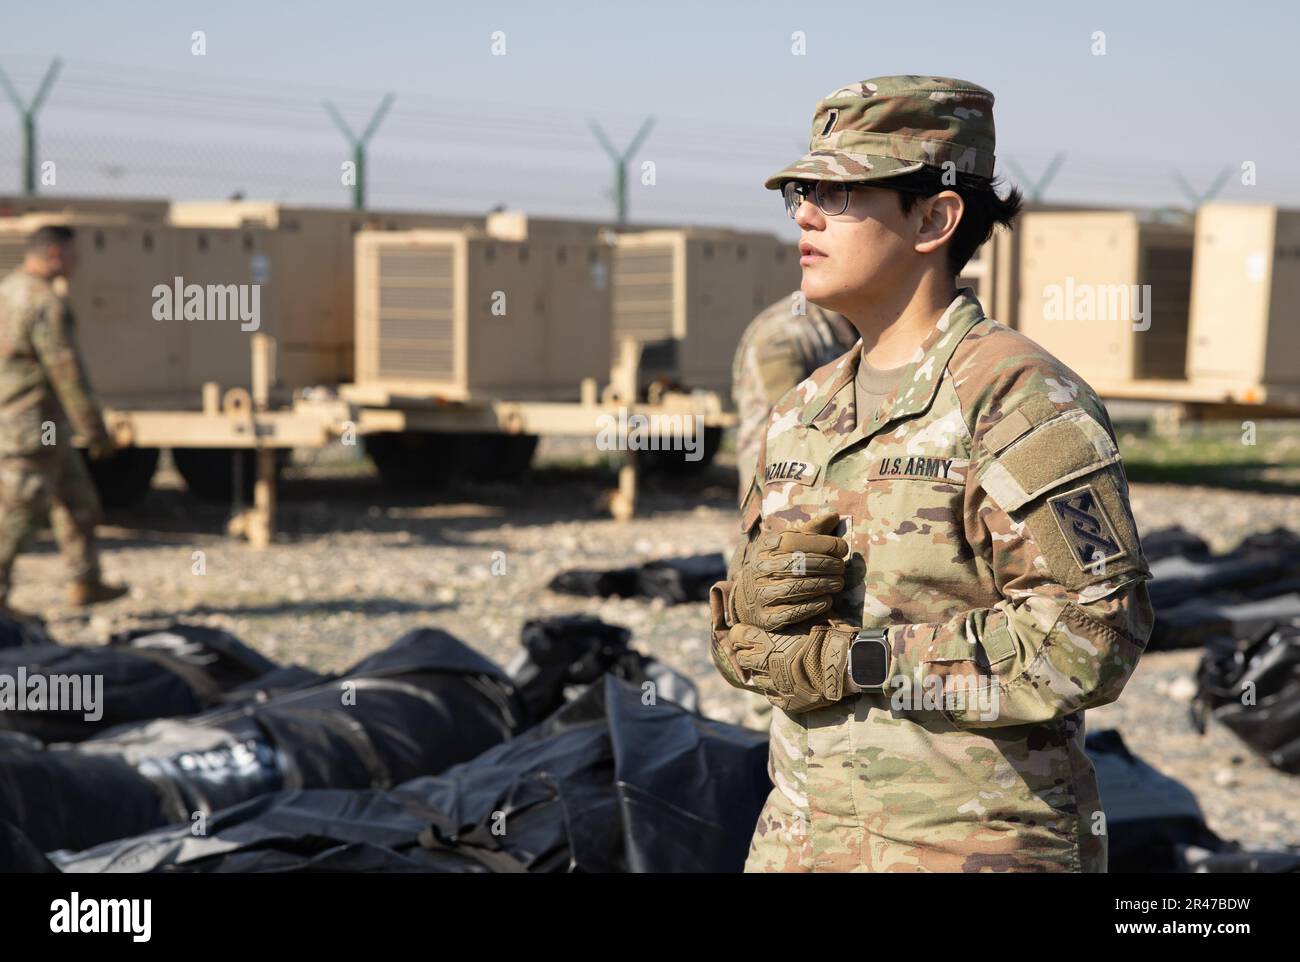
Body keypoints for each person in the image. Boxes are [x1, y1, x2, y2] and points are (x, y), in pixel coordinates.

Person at [708, 76, 1154, 872]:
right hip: (803, 844)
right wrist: (745, 617)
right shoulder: (803, 411)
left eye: (840, 194)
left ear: (935, 218)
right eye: (803, 194)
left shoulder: (1016, 400)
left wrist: (864, 661)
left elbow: (1094, 637)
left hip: (964, 845)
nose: (805, 215)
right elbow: (750, 629)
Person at [730, 295, 857, 731]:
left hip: (807, 498)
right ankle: (761, 730)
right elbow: (797, 426)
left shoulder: (838, 326)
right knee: (770, 622)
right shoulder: (784, 335)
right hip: (782, 501)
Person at [0, 224, 128, 616]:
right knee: (19, 513)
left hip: (36, 424)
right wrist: (95, 430)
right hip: (34, 426)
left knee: (78, 502)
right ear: (55, 254)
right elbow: (66, 373)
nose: (78, 262)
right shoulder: (44, 303)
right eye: (74, 253)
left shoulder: (8, 290)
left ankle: (86, 580)